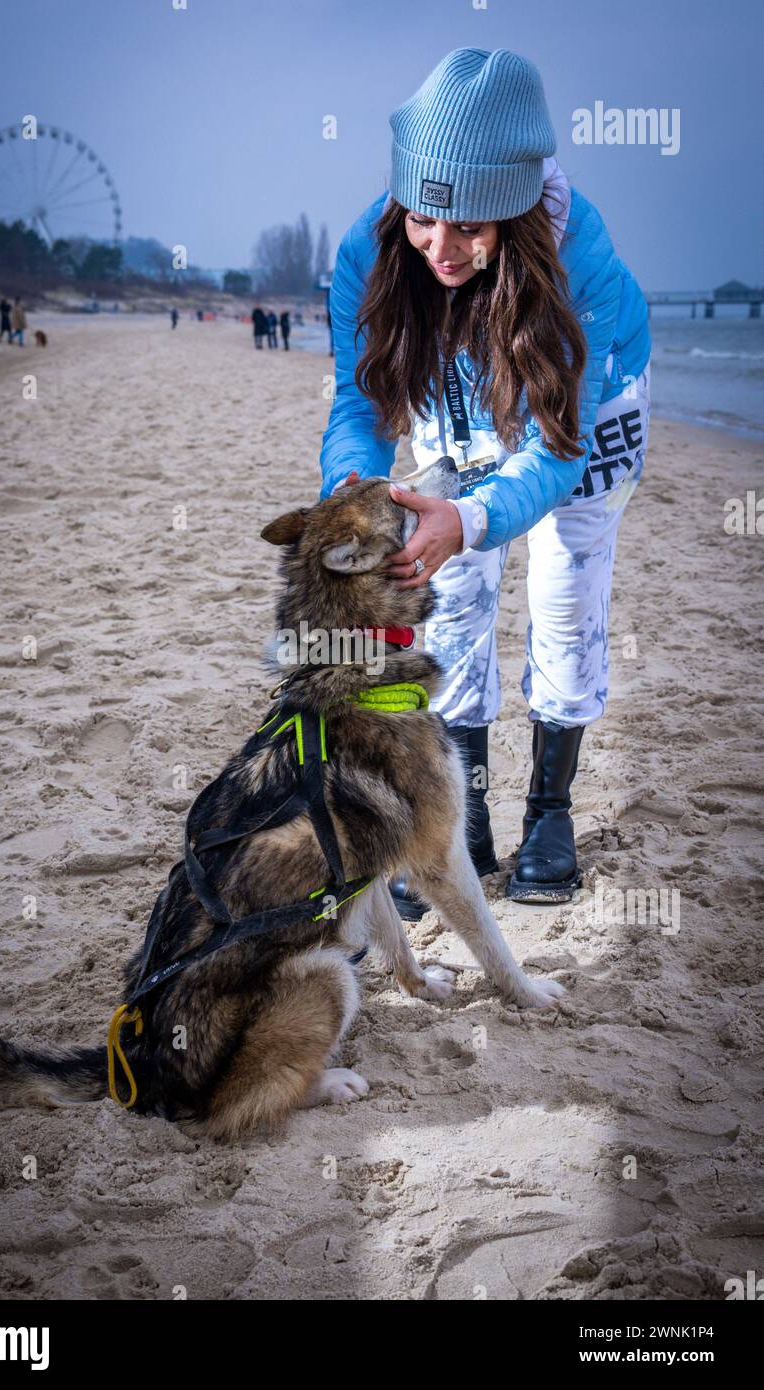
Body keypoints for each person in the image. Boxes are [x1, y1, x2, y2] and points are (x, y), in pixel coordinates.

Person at [320, 48, 651, 916]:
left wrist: (468, 517)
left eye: (471, 226)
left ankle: (550, 811)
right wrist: (355, 502)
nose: (443, 248)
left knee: (565, 586)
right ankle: (460, 821)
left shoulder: (579, 257)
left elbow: (555, 452)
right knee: (455, 596)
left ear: (515, 209)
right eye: (427, 217)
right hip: (457, 396)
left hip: (582, 410)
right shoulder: (370, 249)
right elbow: (360, 407)